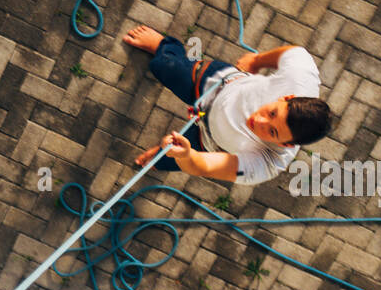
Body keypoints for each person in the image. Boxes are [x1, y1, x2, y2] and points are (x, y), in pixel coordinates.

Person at [122, 25, 331, 183]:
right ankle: (164, 45)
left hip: (207, 141)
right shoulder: (300, 78)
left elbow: (205, 166)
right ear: (285, 98)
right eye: (273, 113)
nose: (257, 120)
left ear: (287, 145)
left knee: (169, 159)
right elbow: (296, 53)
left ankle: (164, 157)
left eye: (272, 132)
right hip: (214, 85)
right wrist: (257, 61)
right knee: (164, 66)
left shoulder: (269, 164)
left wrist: (186, 156)